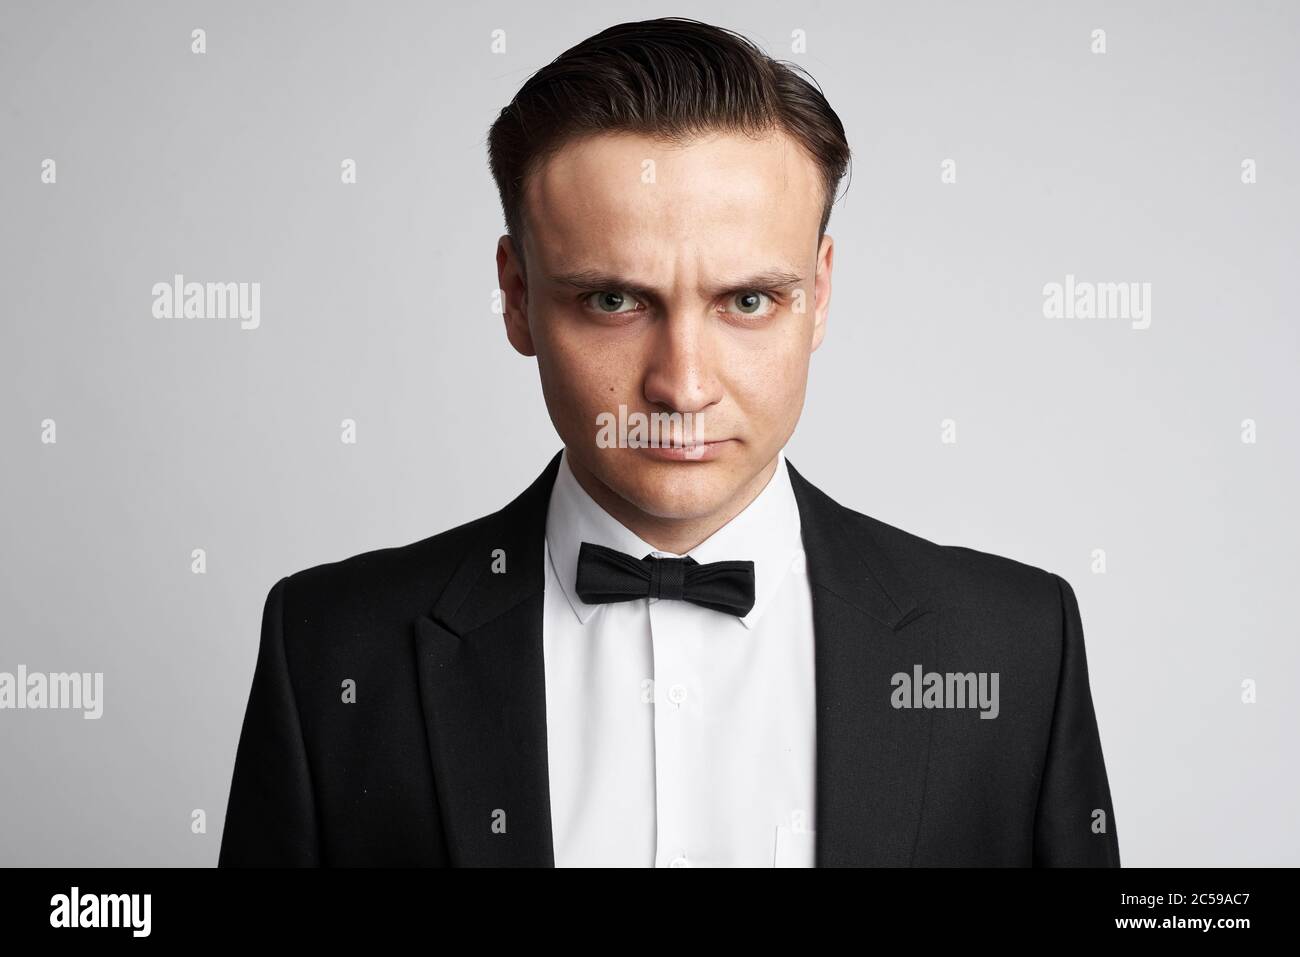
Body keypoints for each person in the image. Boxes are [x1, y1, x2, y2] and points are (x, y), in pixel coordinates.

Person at [218, 16, 1119, 867]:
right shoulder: (329, 650)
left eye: (748, 300)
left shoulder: (1012, 646)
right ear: (516, 295)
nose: (682, 385)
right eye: (614, 300)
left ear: (821, 295)